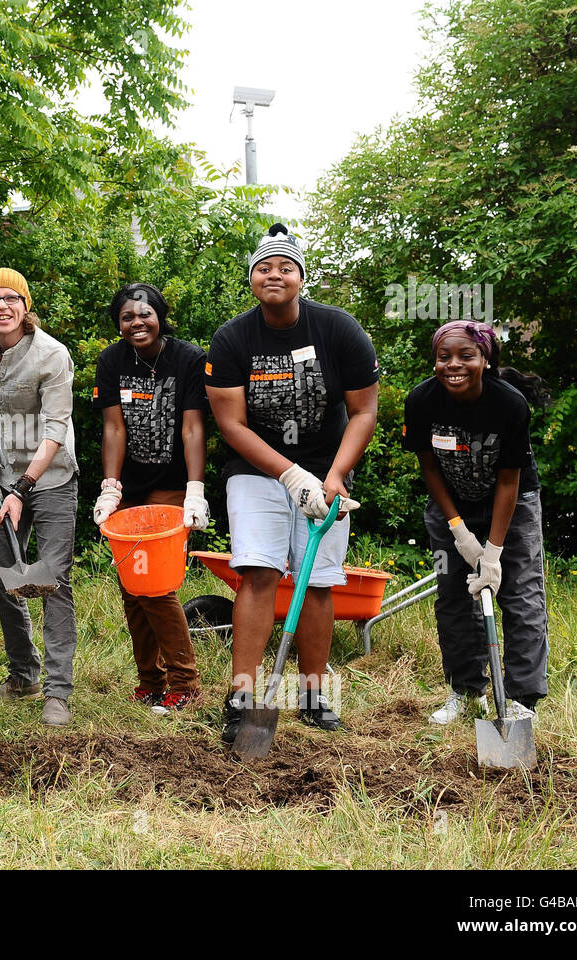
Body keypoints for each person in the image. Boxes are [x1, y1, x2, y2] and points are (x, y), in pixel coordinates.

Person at [205, 223, 379, 744]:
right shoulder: (234, 338)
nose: (274, 274)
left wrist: (331, 475)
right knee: (258, 571)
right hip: (257, 470)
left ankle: (311, 692)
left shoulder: (338, 329)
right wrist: (288, 473)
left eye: (285, 267)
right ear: (252, 280)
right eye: (263, 267)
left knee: (319, 579)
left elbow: (364, 410)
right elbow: (231, 424)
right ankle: (242, 694)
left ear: (302, 277)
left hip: (328, 467)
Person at [403, 320, 549, 725]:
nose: (454, 364)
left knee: (520, 595)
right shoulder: (422, 401)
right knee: (452, 594)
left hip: (513, 503)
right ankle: (465, 693)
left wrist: (494, 553)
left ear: (485, 360)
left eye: (466, 356)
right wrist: (459, 530)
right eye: (444, 356)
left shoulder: (509, 404)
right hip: (451, 503)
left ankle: (521, 700)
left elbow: (509, 479)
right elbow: (429, 467)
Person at [0, 268, 79, 727]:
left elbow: (54, 429)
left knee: (52, 579)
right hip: (4, 472)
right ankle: (24, 672)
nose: (2, 307)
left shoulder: (52, 355)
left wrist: (22, 489)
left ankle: (57, 693)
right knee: (5, 576)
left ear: (25, 305)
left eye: (11, 298)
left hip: (49, 477)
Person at [92, 282, 210, 715]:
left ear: (159, 316)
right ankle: (151, 682)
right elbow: (114, 428)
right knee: (130, 585)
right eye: (126, 317)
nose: (136, 323)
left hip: (173, 484)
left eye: (144, 314)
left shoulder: (189, 359)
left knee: (155, 586)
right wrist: (110, 485)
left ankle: (186, 682)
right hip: (130, 486)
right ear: (118, 324)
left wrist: (195, 490)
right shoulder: (111, 361)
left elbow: (193, 427)